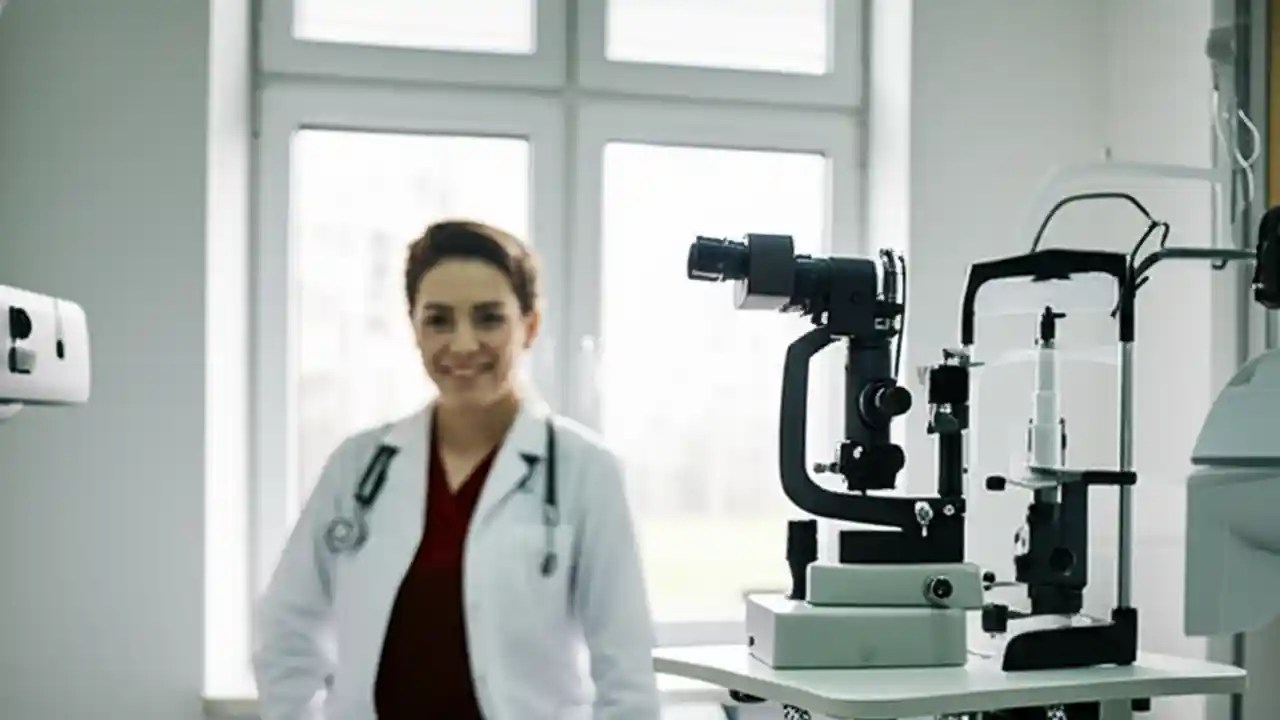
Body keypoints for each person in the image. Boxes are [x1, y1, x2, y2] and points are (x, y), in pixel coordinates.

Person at [252, 220, 661, 719]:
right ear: (415, 329)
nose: (463, 345)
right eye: (439, 320)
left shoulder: (585, 471)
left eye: (488, 319)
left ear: (529, 326)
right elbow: (286, 629)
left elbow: (628, 676)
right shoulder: (358, 467)